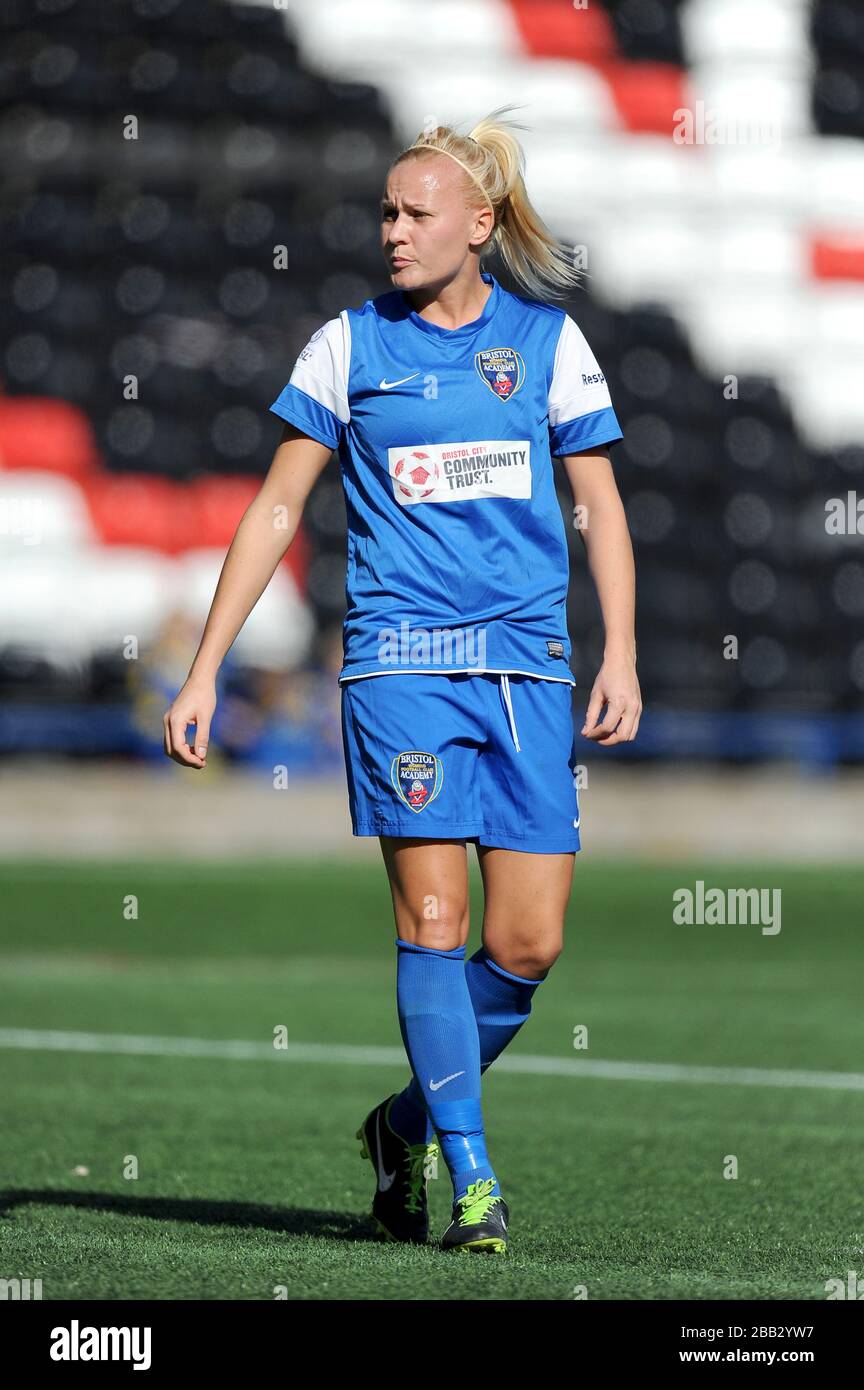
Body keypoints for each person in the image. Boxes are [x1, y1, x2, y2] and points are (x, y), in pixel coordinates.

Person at [163, 105, 641, 1256]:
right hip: (400, 671)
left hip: (527, 672)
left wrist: (619, 648)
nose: (392, 230)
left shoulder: (546, 343)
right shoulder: (348, 344)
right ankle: (473, 1178)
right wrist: (204, 667)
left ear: (478, 225)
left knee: (528, 946)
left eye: (415, 212)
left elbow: (599, 505)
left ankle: (403, 1122)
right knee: (435, 918)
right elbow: (278, 504)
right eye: (385, 211)